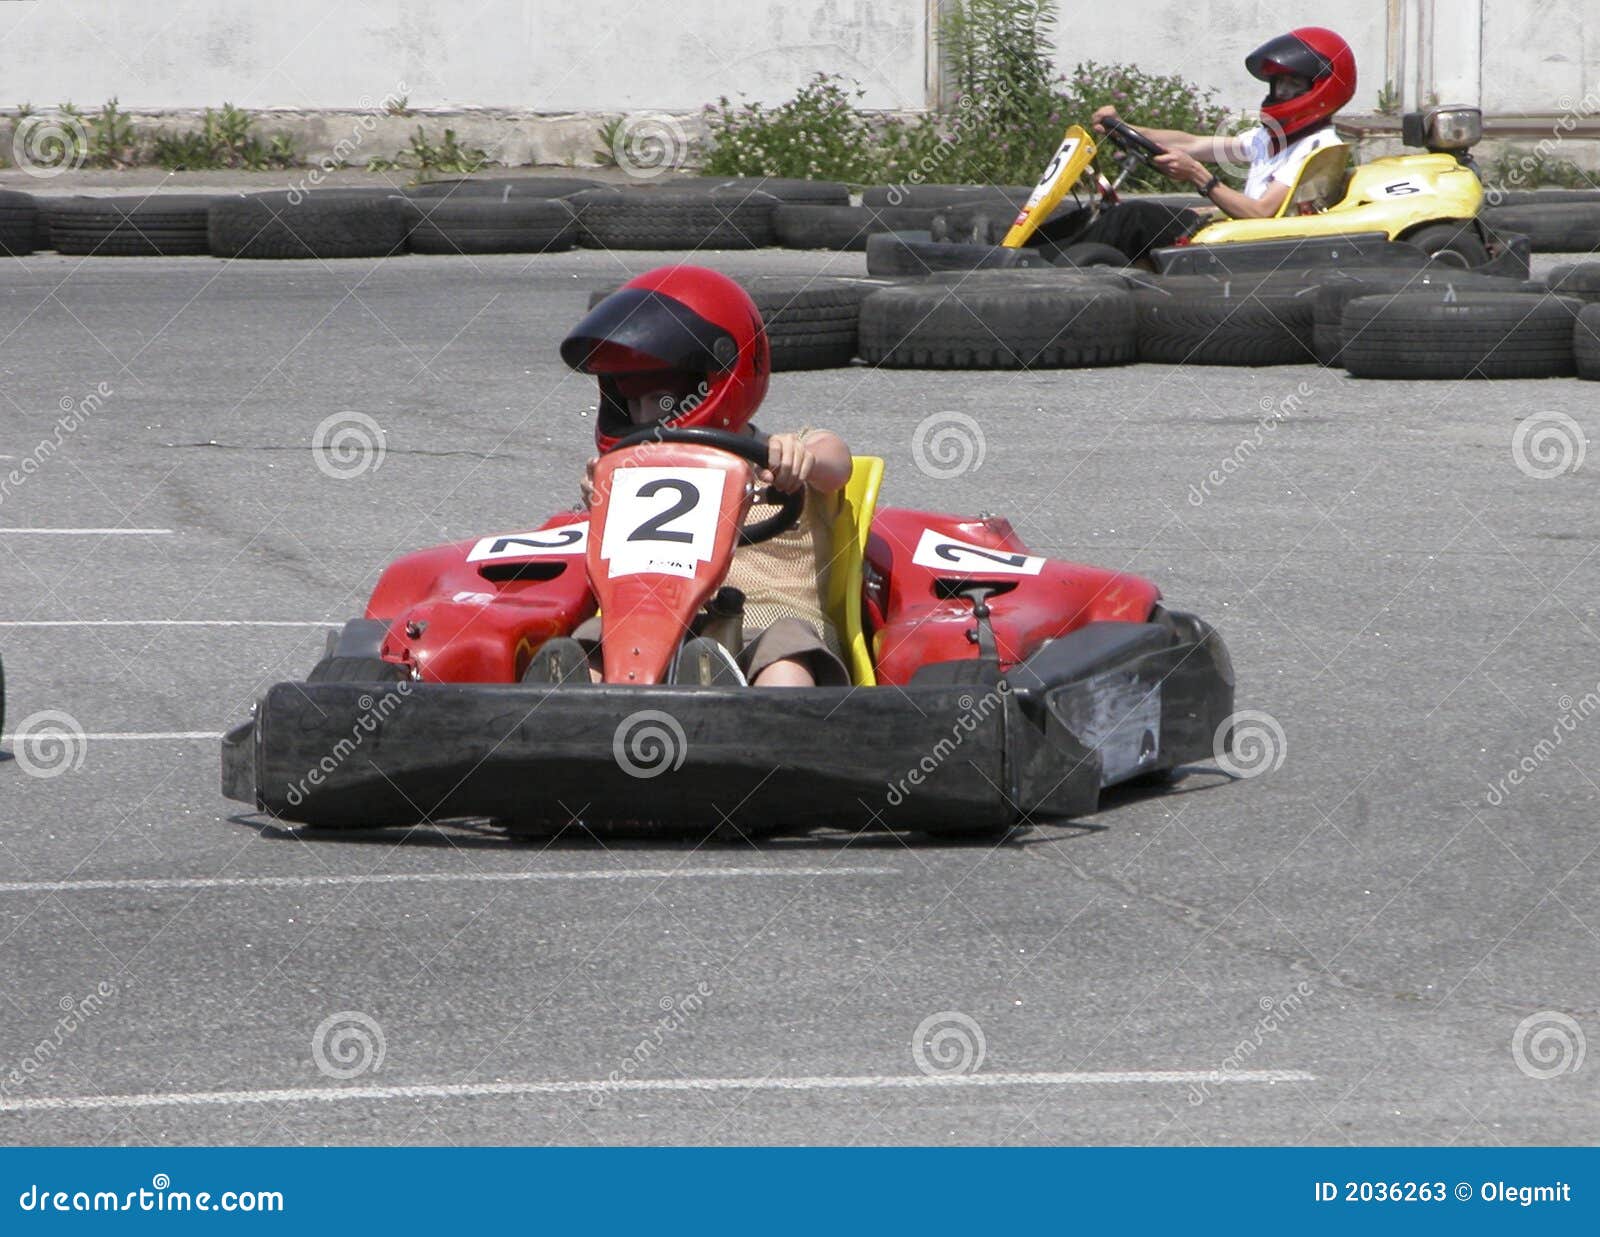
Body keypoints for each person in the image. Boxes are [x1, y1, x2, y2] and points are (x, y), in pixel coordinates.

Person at [534, 264, 853, 688]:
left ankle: (767, 728)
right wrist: (601, 495)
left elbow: (838, 462)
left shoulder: (789, 451)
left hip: (771, 622)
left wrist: (800, 460)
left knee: (785, 667)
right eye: (635, 402)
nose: (648, 416)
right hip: (651, 625)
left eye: (660, 398)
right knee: (591, 649)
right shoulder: (633, 470)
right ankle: (561, 712)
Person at [1028, 26, 1357, 264]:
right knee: (1105, 212)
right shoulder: (1272, 137)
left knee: (1132, 217)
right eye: (1279, 82)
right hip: (1231, 227)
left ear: (1323, 89)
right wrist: (1127, 128)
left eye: (1293, 83)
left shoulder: (1318, 146)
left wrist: (1199, 177)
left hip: (1254, 246)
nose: (1282, 92)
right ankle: (1018, 253)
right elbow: (1194, 144)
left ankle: (1038, 270)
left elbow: (1261, 213)